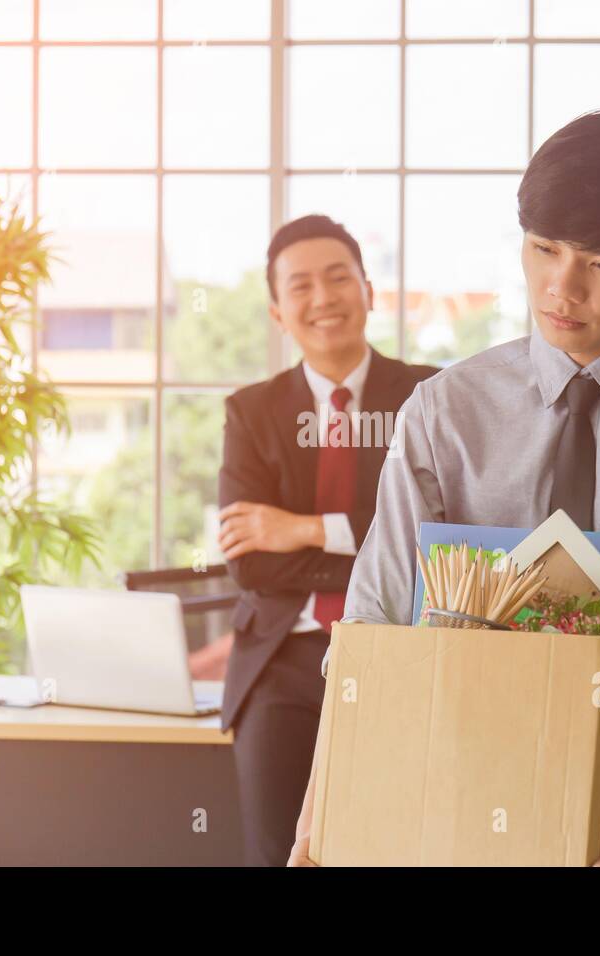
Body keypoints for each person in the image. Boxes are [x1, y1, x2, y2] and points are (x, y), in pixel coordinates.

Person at [287, 111, 600, 867]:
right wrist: (317, 826)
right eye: (543, 249)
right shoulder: (445, 411)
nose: (562, 287)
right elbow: (371, 629)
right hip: (446, 797)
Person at [217, 214, 439, 867]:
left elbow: (436, 539)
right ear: (278, 313)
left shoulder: (429, 396)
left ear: (368, 291)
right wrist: (369, 543)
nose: (323, 299)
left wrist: (307, 530)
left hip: (400, 653)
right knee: (281, 852)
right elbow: (254, 565)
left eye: (339, 277)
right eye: (301, 286)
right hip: (284, 663)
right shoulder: (251, 412)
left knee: (396, 848)